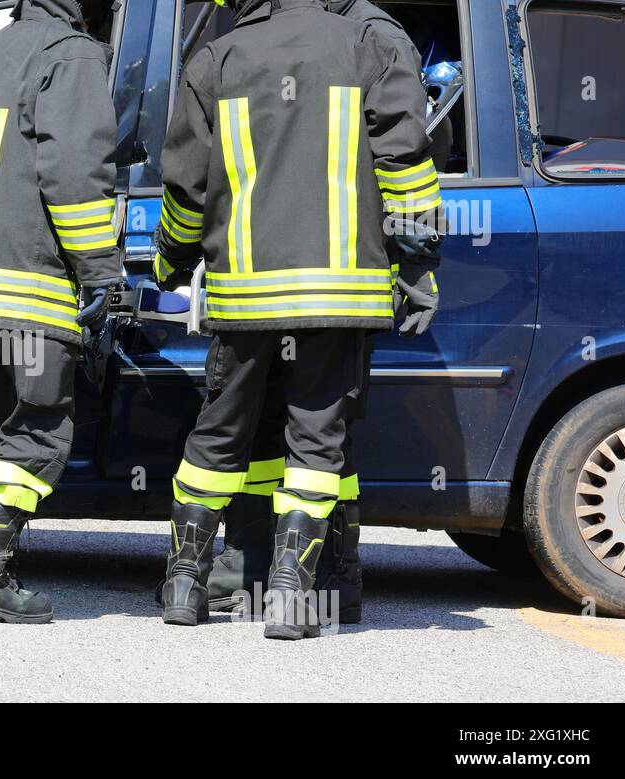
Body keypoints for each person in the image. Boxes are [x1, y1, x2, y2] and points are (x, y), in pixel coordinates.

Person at [154, 0, 441, 639]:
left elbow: (185, 188)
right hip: (339, 296)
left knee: (218, 434)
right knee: (317, 440)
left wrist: (170, 262)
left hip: (246, 296)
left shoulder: (216, 58)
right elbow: (404, 159)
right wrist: (419, 265)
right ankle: (290, 595)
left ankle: (182, 585)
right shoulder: (365, 44)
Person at [0, 0, 122, 624]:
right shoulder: (74, 55)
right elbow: (76, 176)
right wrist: (101, 275)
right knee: (38, 429)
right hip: (26, 286)